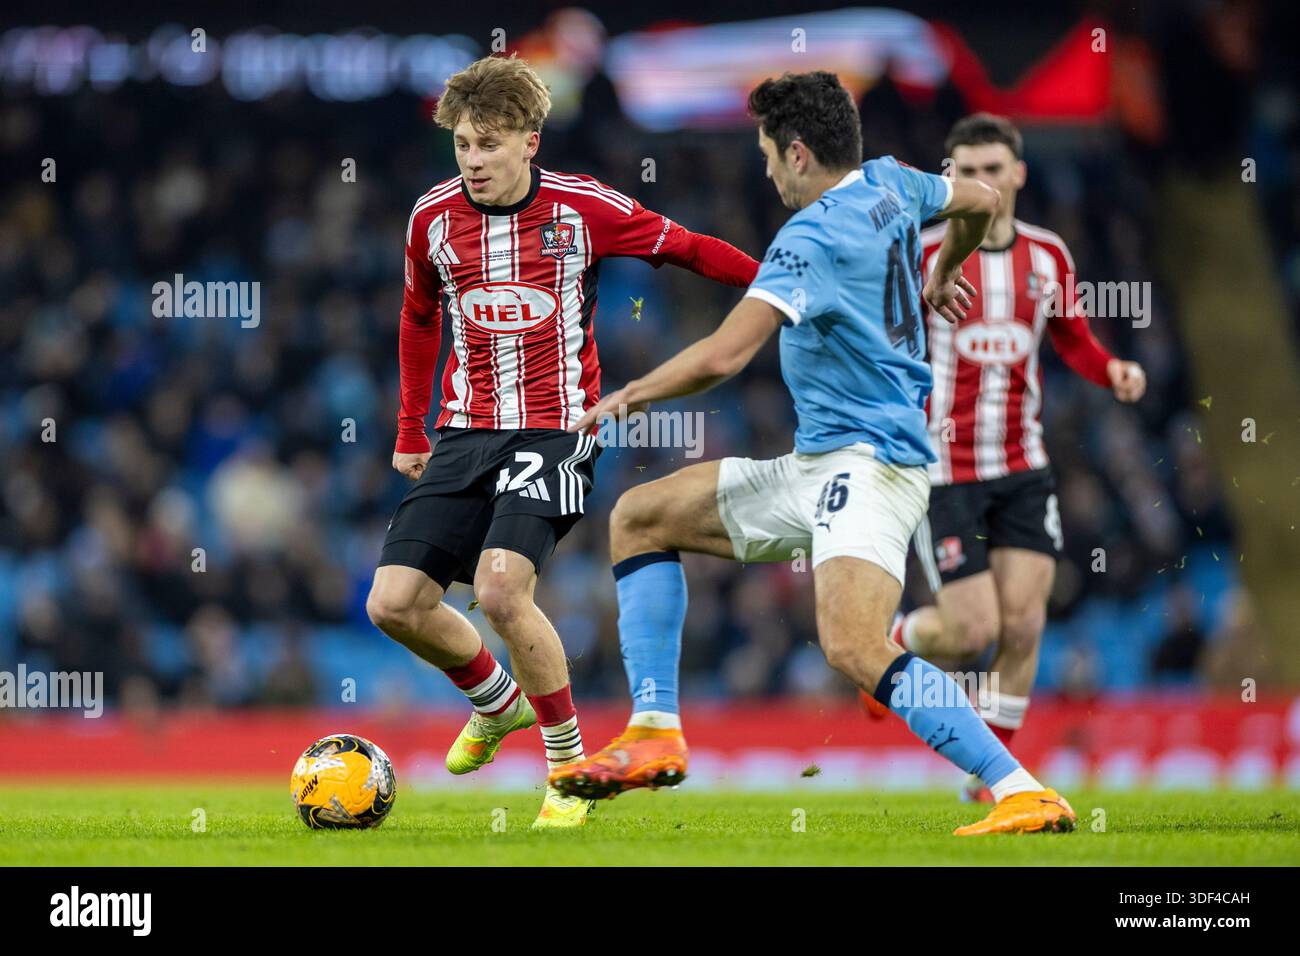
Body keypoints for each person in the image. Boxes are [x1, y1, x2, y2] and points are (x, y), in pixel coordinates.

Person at [550, 72, 1075, 835]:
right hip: (817, 463)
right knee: (640, 516)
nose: (765, 170)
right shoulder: (895, 182)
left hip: (870, 467)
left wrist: (631, 395)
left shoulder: (810, 238)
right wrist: (947, 268)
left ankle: (1018, 787)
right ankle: (655, 731)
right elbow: (984, 201)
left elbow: (725, 356)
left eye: (767, 154)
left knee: (853, 644)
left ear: (797, 153)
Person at [364, 54, 758, 829]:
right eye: (462, 145)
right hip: (463, 430)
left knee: (503, 589)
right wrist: (411, 425)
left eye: (488, 143)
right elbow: (417, 319)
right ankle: (496, 702)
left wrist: (783, 287)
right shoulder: (430, 219)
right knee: (393, 604)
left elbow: (686, 247)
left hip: (556, 427)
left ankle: (568, 768)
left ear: (530, 141)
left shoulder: (584, 209)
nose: (473, 160)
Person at [864, 114, 1146, 804]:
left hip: (1024, 465)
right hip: (945, 472)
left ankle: (992, 782)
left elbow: (1073, 336)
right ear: (948, 178)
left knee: (1024, 623)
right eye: (967, 171)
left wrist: (1110, 370)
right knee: (970, 633)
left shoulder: (1048, 255)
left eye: (994, 169)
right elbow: (881, 346)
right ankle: (898, 635)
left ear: (1018, 173)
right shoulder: (922, 251)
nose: (983, 182)